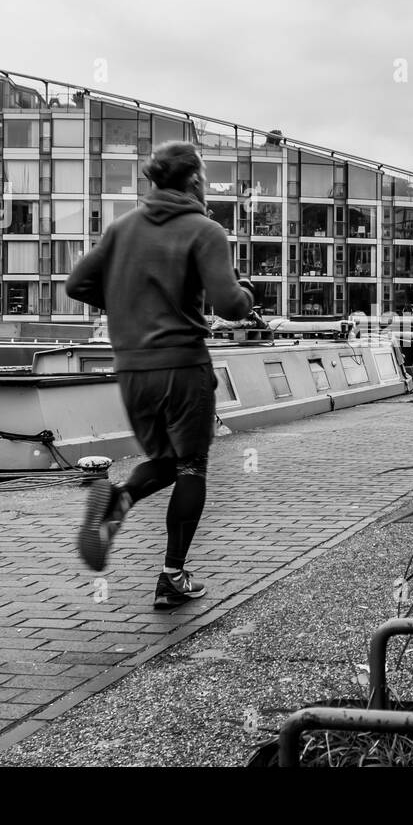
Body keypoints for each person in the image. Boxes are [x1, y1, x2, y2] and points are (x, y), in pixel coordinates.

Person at [66, 141, 254, 609]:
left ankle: (117, 502)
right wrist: (246, 294)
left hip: (131, 369)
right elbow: (229, 304)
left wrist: (132, 306)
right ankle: (172, 576)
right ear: (193, 180)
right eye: (204, 176)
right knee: (190, 466)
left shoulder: (121, 228)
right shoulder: (203, 229)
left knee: (165, 462)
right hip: (182, 365)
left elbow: (77, 284)